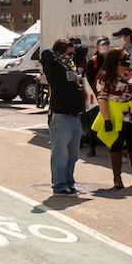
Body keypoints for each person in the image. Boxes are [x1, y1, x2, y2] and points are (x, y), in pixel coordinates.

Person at [96, 48, 132, 190]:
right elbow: (102, 99)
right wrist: (107, 120)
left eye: (127, 56)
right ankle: (117, 178)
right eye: (124, 57)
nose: (128, 59)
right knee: (116, 146)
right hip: (116, 116)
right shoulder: (106, 76)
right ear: (116, 60)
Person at [40, 38, 86, 195]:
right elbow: (46, 54)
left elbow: (83, 49)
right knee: (60, 154)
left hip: (75, 115)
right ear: (60, 52)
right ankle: (59, 185)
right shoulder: (55, 67)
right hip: (61, 115)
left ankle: (69, 182)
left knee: (73, 154)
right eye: (69, 52)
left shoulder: (71, 66)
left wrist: (71, 51)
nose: (72, 55)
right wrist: (61, 55)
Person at [82, 38, 108, 156]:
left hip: (108, 96)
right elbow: (88, 80)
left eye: (107, 44)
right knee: (94, 123)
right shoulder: (93, 61)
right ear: (97, 46)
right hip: (95, 99)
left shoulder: (110, 60)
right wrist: (96, 95)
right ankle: (92, 147)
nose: (105, 47)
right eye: (102, 45)